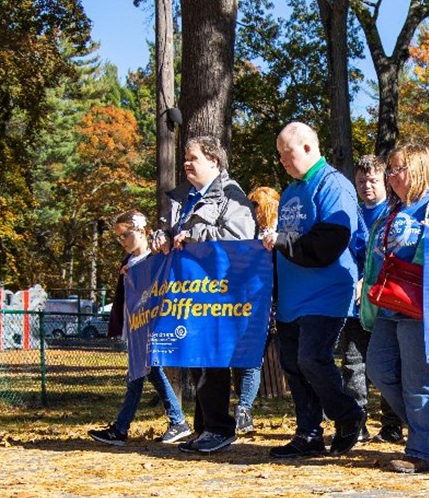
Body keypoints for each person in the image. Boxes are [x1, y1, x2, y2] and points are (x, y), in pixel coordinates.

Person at [262, 122, 366, 459]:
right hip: (293, 297)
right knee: (292, 363)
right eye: (278, 155)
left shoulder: (333, 184)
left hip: (327, 292)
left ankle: (348, 415)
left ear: (307, 147)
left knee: (312, 358)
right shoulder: (292, 190)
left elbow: (330, 241)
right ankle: (308, 432)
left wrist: (281, 241)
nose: (281, 161)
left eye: (286, 153)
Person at [363, 144, 429, 474]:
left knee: (417, 382)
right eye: (389, 170)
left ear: (420, 168)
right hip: (389, 301)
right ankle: (428, 428)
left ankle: (419, 453)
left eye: (398, 169)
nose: (391, 176)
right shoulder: (392, 209)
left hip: (423, 306)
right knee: (377, 369)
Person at [153, 136, 256, 453]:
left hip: (220, 292)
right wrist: (162, 236)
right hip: (189, 293)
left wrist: (195, 234)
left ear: (214, 161)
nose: (186, 163)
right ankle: (204, 429)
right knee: (197, 359)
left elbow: (241, 236)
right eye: (184, 157)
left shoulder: (230, 195)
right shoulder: (184, 199)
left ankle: (220, 429)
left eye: (193, 157)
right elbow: (171, 233)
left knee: (211, 360)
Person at [88, 210, 192, 446]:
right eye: (119, 237)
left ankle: (121, 429)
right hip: (135, 326)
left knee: (137, 375)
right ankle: (176, 421)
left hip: (150, 326)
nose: (122, 241)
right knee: (149, 372)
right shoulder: (129, 263)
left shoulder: (155, 257)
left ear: (142, 231)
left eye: (126, 234)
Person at [348, 155, 404, 444]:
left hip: (389, 299)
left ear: (384, 180)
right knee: (353, 363)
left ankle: (392, 423)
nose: (366, 185)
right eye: (360, 180)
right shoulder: (352, 212)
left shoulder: (395, 213)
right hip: (357, 302)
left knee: (387, 365)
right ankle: (358, 422)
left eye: (371, 179)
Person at [232, 185, 282, 434]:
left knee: (302, 360)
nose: (252, 211)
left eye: (256, 207)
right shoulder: (247, 235)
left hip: (280, 305)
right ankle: (243, 410)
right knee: (252, 360)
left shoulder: (280, 235)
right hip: (253, 306)